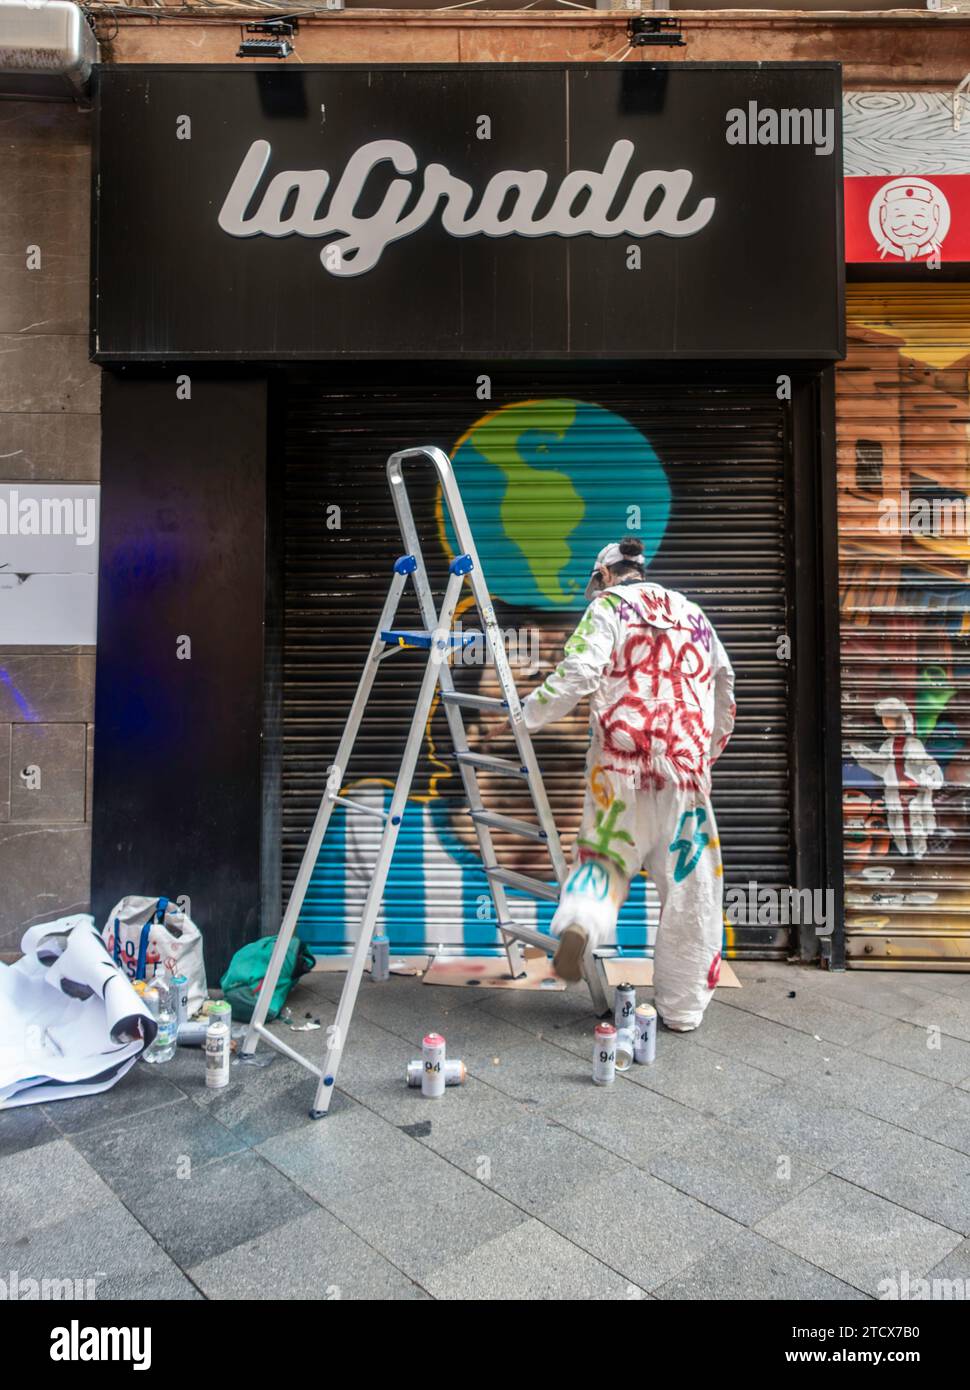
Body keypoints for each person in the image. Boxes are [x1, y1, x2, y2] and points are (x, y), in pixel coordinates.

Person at [521, 537, 736, 1032]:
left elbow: (578, 671)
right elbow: (725, 689)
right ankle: (682, 1010)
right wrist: (705, 756)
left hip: (617, 772)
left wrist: (528, 716)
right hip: (683, 776)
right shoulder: (694, 616)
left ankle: (582, 922)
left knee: (604, 861)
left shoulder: (607, 609)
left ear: (605, 576)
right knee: (690, 893)